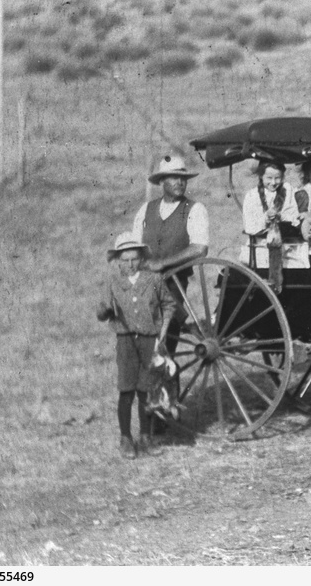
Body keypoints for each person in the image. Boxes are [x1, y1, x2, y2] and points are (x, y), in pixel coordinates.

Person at [131, 153, 210, 435]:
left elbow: (200, 248)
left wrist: (163, 263)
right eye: (174, 178)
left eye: (183, 178)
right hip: (144, 288)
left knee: (166, 350)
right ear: (162, 182)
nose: (179, 183)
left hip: (174, 288)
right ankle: (147, 421)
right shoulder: (147, 210)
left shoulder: (194, 210)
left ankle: (164, 417)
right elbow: (134, 248)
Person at [96, 232, 177, 459]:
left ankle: (146, 437)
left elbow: (169, 305)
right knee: (126, 390)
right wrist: (105, 311)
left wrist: (162, 331)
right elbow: (101, 313)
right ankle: (125, 439)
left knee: (146, 390)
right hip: (125, 342)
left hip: (149, 340)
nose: (130, 265)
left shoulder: (153, 280)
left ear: (141, 259)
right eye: (125, 260)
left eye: (134, 259)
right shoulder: (113, 283)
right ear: (117, 261)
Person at [241, 160, 302, 266]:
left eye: (277, 178)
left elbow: (294, 217)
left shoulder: (288, 191)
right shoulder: (252, 196)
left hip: (287, 245)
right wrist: (266, 219)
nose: (273, 183)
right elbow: (249, 226)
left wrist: (280, 216)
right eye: (269, 178)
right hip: (260, 246)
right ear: (261, 176)